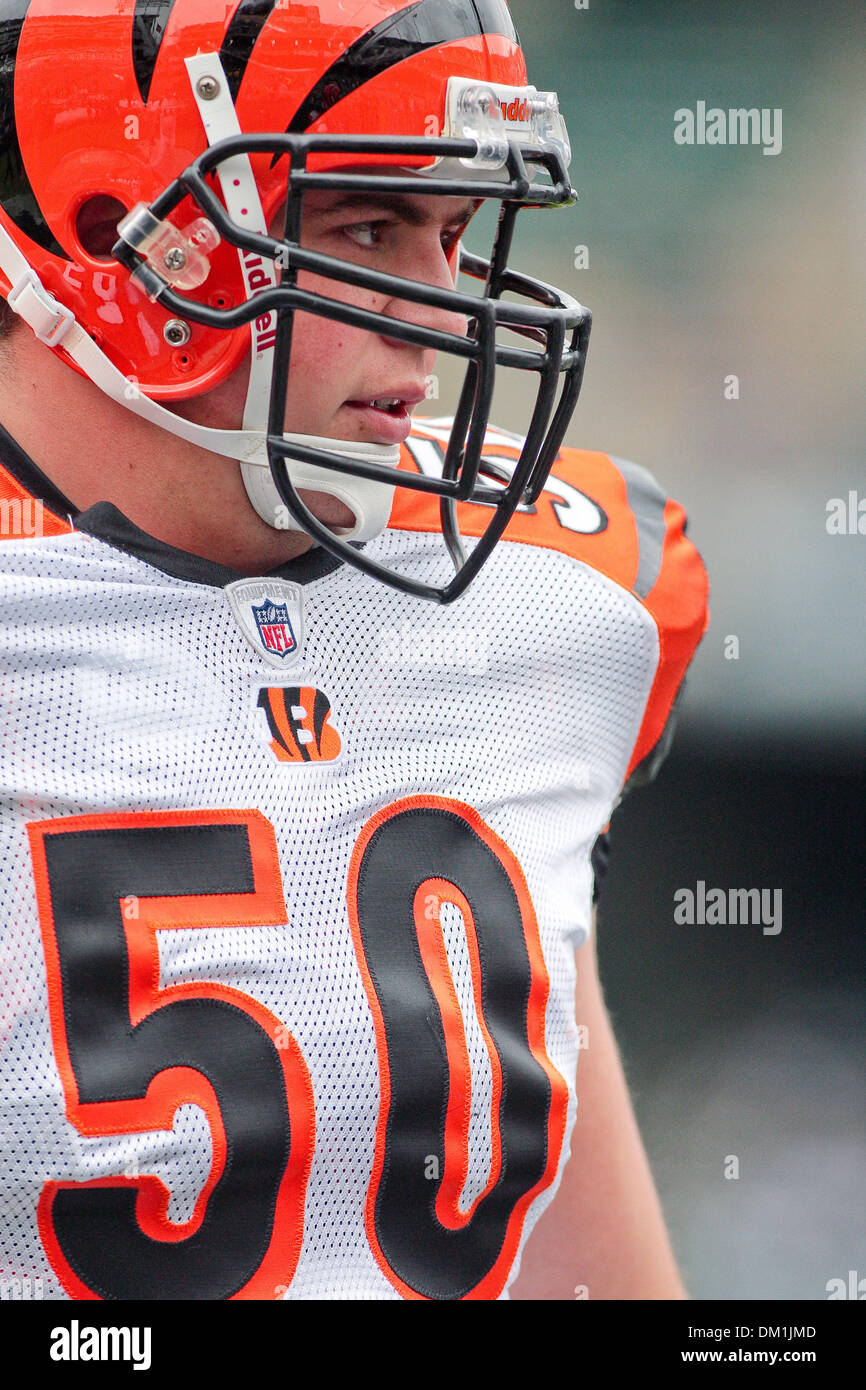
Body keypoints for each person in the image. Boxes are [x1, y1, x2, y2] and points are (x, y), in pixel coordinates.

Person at [0, 0, 707, 1300]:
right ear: (120, 233)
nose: (436, 316)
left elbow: (580, 1263)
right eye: (367, 227)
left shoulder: (568, 592)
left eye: (450, 235)